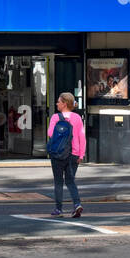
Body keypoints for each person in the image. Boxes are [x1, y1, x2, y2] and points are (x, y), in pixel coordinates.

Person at [46, 91, 86, 219]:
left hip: (58, 153)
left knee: (58, 182)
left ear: (64, 104)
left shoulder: (55, 117)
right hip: (74, 154)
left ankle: (58, 209)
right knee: (70, 181)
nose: (57, 103)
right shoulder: (77, 118)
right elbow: (82, 137)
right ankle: (77, 204)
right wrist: (81, 154)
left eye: (59, 101)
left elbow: (50, 134)